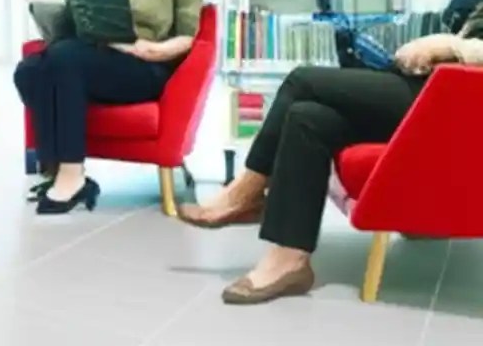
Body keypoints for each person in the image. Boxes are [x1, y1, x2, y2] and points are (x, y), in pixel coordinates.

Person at [177, 20, 483, 304]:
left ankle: (244, 192)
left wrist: (453, 48)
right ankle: (289, 260)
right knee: (307, 117)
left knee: (302, 81)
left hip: (464, 100)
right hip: (444, 86)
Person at [13, 0, 201, 216]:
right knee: (28, 70)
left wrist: (152, 50)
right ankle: (57, 169)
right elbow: (82, 12)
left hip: (147, 65)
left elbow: (189, 36)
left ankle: (72, 175)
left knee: (64, 59)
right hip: (98, 53)